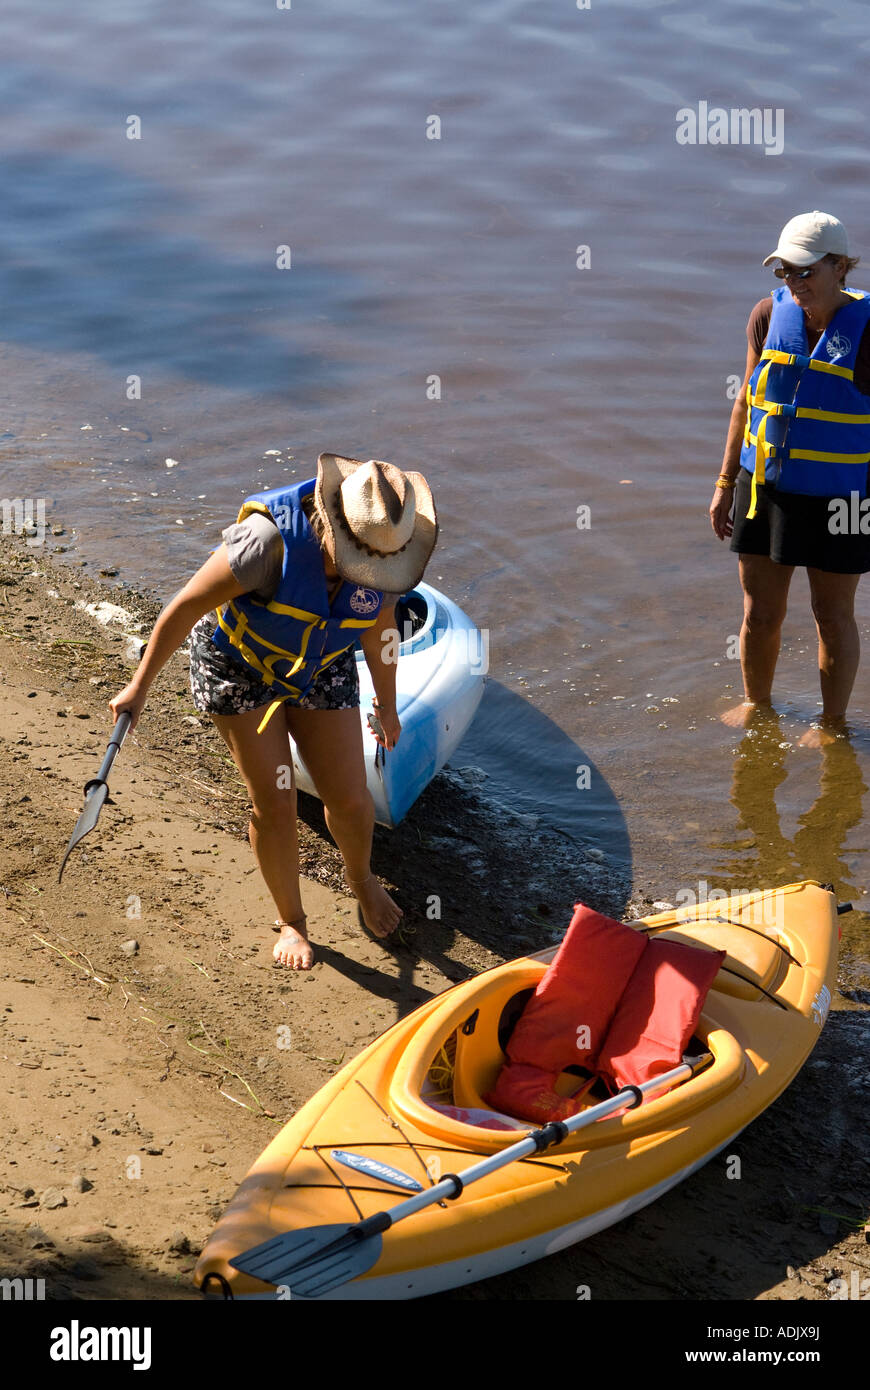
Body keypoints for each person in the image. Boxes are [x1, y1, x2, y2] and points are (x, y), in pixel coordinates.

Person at [109, 453, 438, 968]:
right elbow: (185, 607)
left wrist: (388, 706)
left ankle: (362, 879)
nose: (372, 572)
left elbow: (382, 633)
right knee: (276, 799)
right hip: (238, 664)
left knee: (351, 799)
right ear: (330, 525)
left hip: (318, 662)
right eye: (360, 559)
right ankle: (292, 922)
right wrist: (139, 687)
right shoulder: (265, 545)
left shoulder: (385, 556)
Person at [711, 211, 870, 747]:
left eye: (806, 270)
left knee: (832, 614)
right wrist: (724, 483)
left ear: (840, 266)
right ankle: (758, 704)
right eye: (785, 272)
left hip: (842, 498)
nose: (794, 282)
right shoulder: (766, 315)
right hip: (766, 488)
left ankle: (831, 725)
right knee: (760, 610)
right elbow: (745, 401)